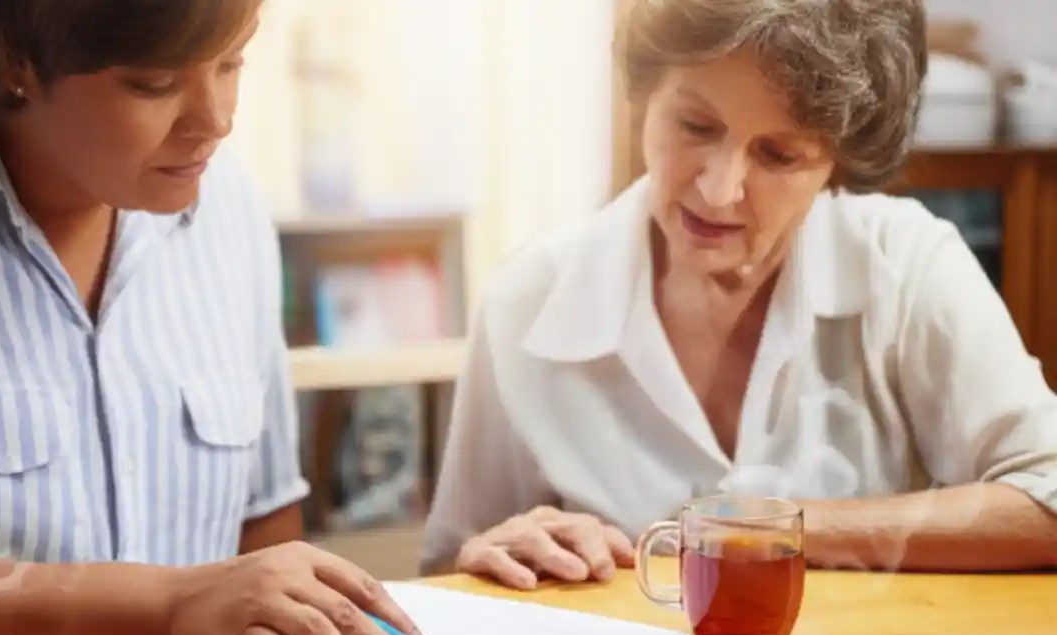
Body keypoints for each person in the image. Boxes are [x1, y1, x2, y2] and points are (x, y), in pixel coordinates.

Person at [0, 1, 429, 635]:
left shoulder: (226, 204)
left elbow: (263, 536)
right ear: (14, 60)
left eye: (232, 62)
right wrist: (165, 611)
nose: (217, 120)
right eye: (154, 83)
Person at [422, 0, 1057, 589]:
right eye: (696, 125)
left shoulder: (906, 262)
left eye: (779, 156)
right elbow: (451, 571)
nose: (720, 189)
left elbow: (1048, 493)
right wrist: (499, 554)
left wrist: (774, 528)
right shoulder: (527, 301)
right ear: (646, 97)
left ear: (838, 161)